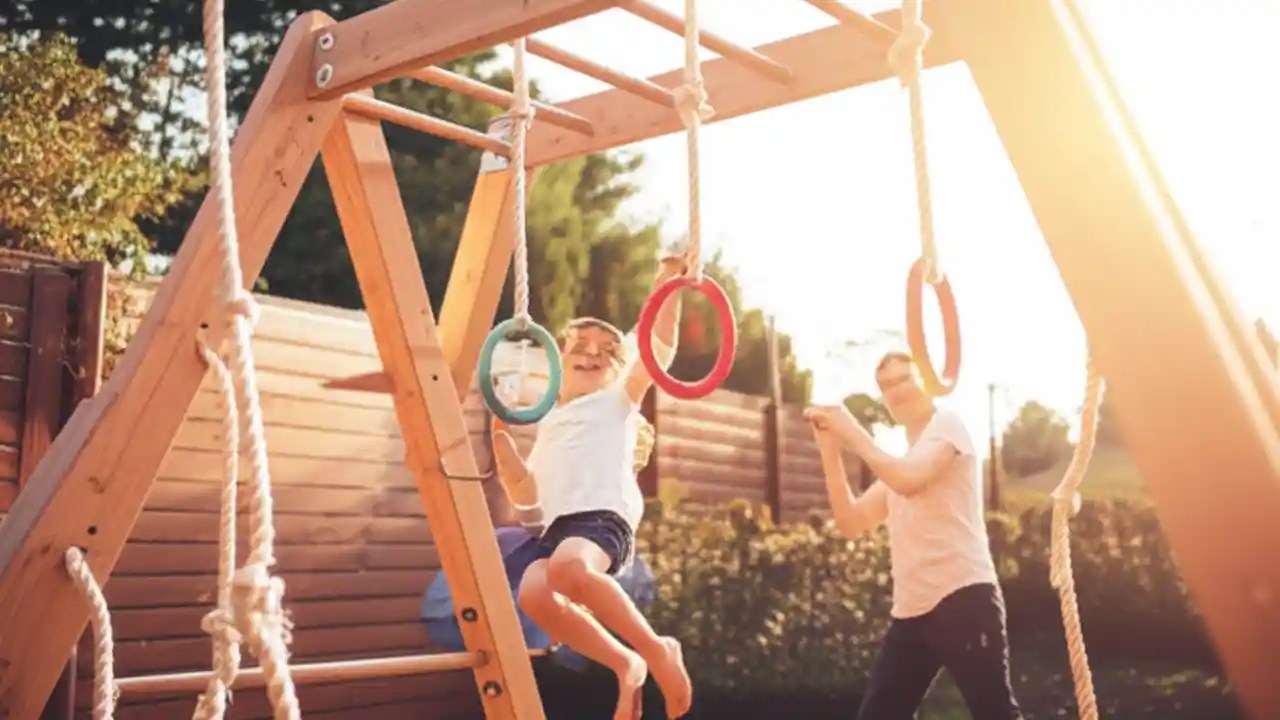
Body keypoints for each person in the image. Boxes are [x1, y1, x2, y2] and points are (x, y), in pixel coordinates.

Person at [489, 254, 692, 720]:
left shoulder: (615, 400)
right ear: (555, 364)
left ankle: (658, 648)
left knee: (568, 569)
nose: (593, 352)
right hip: (558, 530)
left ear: (617, 368)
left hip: (603, 518)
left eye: (607, 349)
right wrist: (502, 445)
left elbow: (657, 349)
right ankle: (626, 664)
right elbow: (527, 500)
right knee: (534, 594)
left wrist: (666, 287)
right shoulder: (550, 422)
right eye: (580, 344)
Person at [804, 351, 1023, 720]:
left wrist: (852, 432)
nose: (897, 389)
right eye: (887, 385)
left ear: (927, 382)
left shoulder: (949, 427)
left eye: (905, 378)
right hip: (911, 616)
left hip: (963, 599)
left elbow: (908, 480)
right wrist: (830, 449)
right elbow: (851, 523)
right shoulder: (900, 463)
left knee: (995, 713)